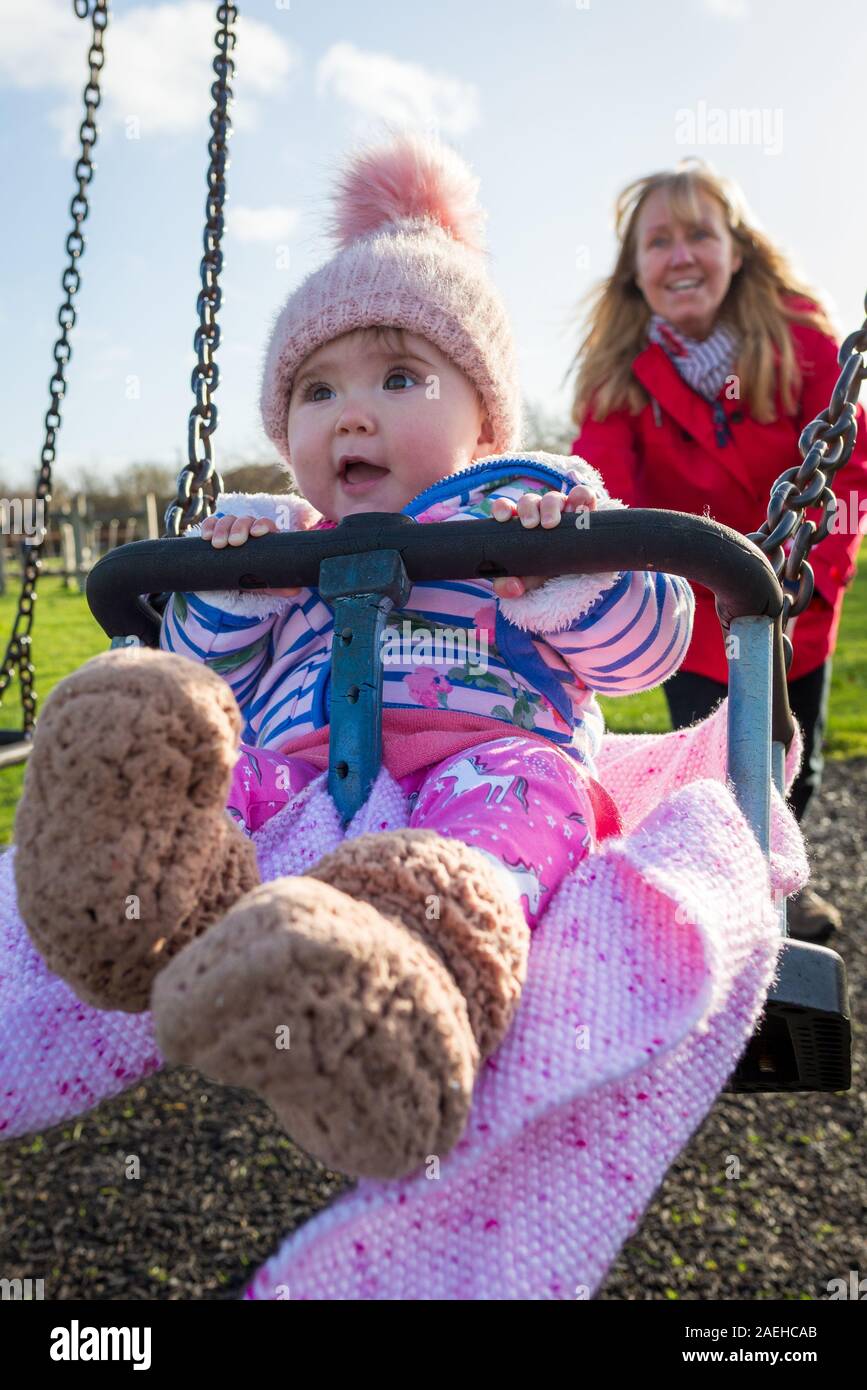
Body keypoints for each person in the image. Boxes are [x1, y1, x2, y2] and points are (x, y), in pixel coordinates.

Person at [14, 136, 694, 1180]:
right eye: (318, 392)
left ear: (482, 415)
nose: (355, 411)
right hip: (302, 770)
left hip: (487, 751)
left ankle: (393, 995)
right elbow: (205, 668)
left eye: (401, 375)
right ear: (287, 430)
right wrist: (235, 583)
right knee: (208, 781)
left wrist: (561, 566)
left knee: (513, 817)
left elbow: (648, 648)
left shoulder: (528, 501)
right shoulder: (280, 537)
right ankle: (122, 900)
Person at [567, 160, 867, 943]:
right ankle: (725, 886)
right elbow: (601, 477)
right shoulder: (617, 377)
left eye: (699, 233)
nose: (680, 254)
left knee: (788, 748)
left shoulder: (800, 342)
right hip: (697, 614)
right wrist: (574, 507)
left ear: (736, 250)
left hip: (796, 592)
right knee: (707, 753)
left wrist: (816, 584)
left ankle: (785, 883)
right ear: (635, 273)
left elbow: (847, 470)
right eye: (657, 241)